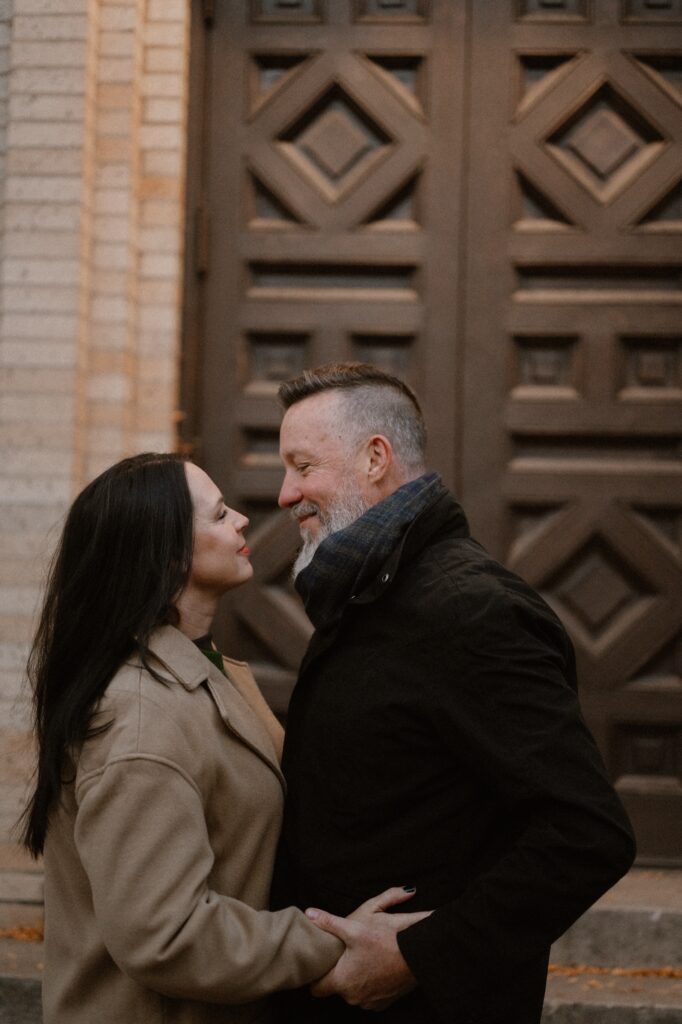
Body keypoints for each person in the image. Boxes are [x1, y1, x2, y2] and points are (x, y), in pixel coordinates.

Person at [272, 363, 637, 1024]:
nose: (284, 492)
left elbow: (587, 834)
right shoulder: (367, 594)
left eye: (301, 466)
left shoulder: (471, 611)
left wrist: (418, 956)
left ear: (375, 458)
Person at [19, 452, 425, 1024]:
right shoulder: (142, 718)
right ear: (169, 553)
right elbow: (167, 934)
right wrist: (336, 941)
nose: (241, 520)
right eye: (218, 515)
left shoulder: (202, 673)